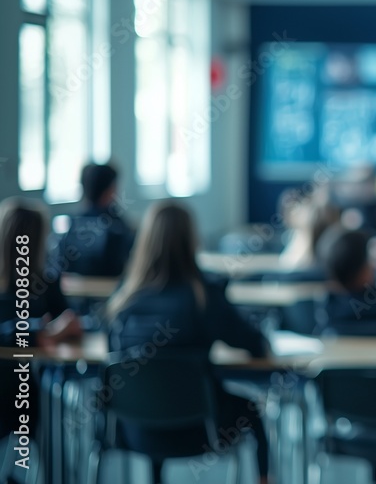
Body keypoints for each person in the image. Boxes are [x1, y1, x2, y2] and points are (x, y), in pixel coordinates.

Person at [104, 201, 272, 484]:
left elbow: (112, 351)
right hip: (202, 428)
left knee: (154, 389)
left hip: (134, 429)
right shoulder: (204, 295)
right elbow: (253, 344)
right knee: (252, 410)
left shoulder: (123, 302)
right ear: (192, 240)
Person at [1, 197, 82, 443]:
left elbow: (70, 321)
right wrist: (39, 332)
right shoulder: (44, 284)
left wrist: (48, 331)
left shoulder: (47, 283)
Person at [54, 162, 135, 277]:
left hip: (72, 285)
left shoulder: (70, 224)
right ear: (109, 190)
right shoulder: (117, 228)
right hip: (109, 285)